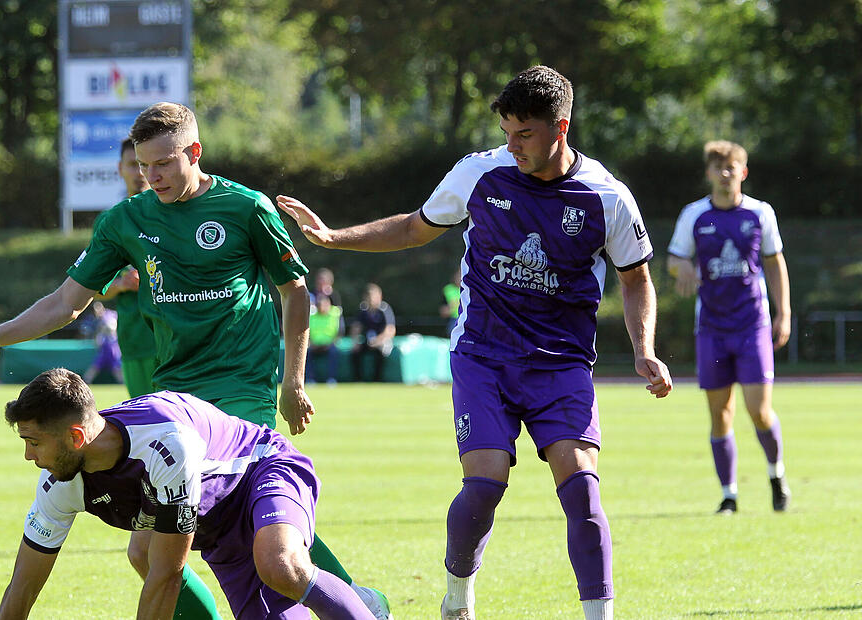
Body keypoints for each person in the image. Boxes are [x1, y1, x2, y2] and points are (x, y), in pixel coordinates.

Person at [0, 103, 389, 619]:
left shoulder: (246, 208)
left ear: (194, 152)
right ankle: (347, 598)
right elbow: (65, 303)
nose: (152, 177)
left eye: (165, 164)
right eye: (144, 167)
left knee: (241, 537)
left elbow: (296, 290)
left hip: (242, 387)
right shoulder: (126, 221)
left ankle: (349, 600)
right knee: (147, 554)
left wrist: (293, 380)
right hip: (175, 394)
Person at [276, 65, 672, 620]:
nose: (511, 146)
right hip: (483, 356)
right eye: (507, 132)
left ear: (561, 127)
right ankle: (458, 598)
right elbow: (417, 227)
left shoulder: (607, 198)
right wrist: (336, 238)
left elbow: (636, 280)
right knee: (484, 486)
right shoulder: (480, 174)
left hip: (561, 365)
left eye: (524, 134)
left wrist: (643, 349)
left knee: (582, 492)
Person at [0, 368, 374, 620]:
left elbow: (167, 574)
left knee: (280, 564)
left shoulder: (164, 445)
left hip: (263, 468)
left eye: (34, 442)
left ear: (76, 437)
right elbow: (23, 587)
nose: (29, 456)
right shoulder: (58, 484)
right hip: (218, 527)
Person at [667, 140, 791, 514]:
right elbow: (674, 258)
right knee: (720, 413)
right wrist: (681, 267)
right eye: (718, 167)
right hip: (712, 328)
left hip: (752, 324)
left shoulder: (759, 213)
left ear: (743, 172)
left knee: (758, 410)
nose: (725, 174)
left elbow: (775, 263)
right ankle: (729, 495)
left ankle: (776, 475)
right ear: (708, 173)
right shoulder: (694, 216)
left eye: (731, 167)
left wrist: (783, 312)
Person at [95, 139, 160, 398]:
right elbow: (92, 290)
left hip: (179, 340)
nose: (140, 173)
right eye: (133, 165)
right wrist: (121, 284)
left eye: (145, 165)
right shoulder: (110, 221)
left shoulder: (178, 214)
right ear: (120, 168)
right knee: (147, 427)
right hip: (135, 341)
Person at [349, 283, 396, 383]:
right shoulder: (363, 310)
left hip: (381, 341)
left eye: (373, 296)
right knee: (355, 352)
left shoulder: (384, 309)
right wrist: (355, 341)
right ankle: (358, 379)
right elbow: (356, 327)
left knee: (381, 352)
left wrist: (378, 341)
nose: (371, 299)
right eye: (368, 296)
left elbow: (390, 330)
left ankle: (377, 379)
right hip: (368, 340)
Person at [80, 301, 126, 385]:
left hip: (112, 346)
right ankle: (85, 382)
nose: (96, 312)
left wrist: (103, 328)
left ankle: (123, 382)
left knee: (116, 366)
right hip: (104, 347)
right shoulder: (96, 319)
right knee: (96, 366)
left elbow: (111, 327)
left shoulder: (109, 315)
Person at [307, 294, 343, 384]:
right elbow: (307, 333)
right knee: (306, 353)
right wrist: (311, 343)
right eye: (318, 304)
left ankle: (332, 379)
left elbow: (340, 332)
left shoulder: (335, 314)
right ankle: (310, 379)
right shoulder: (312, 316)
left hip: (330, 345)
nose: (321, 307)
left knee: (333, 352)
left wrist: (331, 343)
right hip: (315, 345)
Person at [440, 270, 462, 336]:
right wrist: (451, 307)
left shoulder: (470, 290)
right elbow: (443, 311)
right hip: (454, 319)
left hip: (469, 319)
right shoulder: (448, 290)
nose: (460, 277)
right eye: (458, 275)